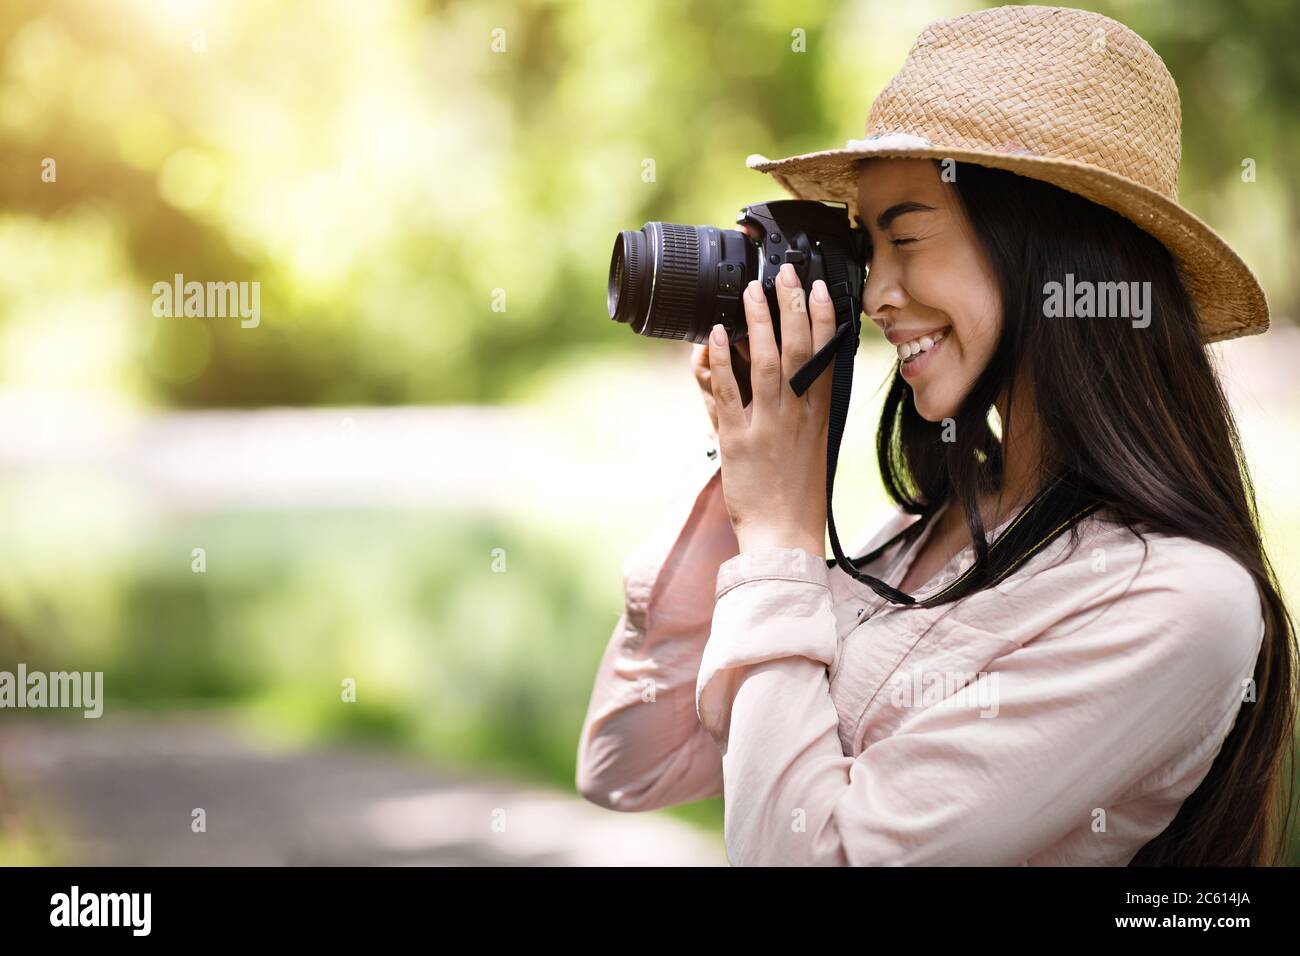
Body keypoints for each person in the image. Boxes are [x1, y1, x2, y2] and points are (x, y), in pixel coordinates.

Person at [576, 4, 1296, 866]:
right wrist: (750, 483)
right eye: (865, 247)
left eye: (905, 236)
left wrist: (781, 537)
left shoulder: (1176, 603)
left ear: (1048, 250)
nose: (876, 293)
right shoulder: (938, 529)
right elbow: (630, 762)